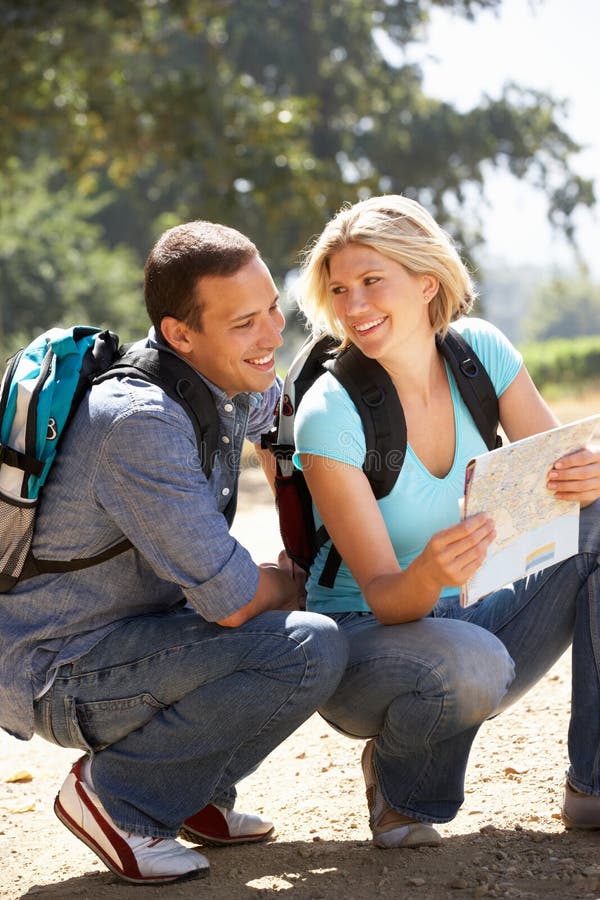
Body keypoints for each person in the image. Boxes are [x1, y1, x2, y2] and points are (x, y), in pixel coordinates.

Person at [0, 221, 348, 885]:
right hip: (59, 666)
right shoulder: (140, 420)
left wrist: (295, 514)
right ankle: (120, 799)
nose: (274, 334)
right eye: (246, 322)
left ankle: (194, 795)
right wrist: (293, 579)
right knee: (306, 644)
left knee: (301, 630)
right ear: (180, 333)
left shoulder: (223, 378)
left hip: (135, 638)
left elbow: (282, 431)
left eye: (273, 307)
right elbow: (235, 599)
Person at [292, 194, 600, 850]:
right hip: (367, 639)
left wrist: (590, 472)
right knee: (473, 662)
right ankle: (400, 790)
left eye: (373, 282)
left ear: (426, 282)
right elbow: (383, 592)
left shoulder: (481, 352)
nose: (353, 306)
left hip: (471, 607)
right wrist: (430, 570)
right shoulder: (329, 413)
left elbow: (564, 479)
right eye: (340, 289)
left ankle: (594, 785)